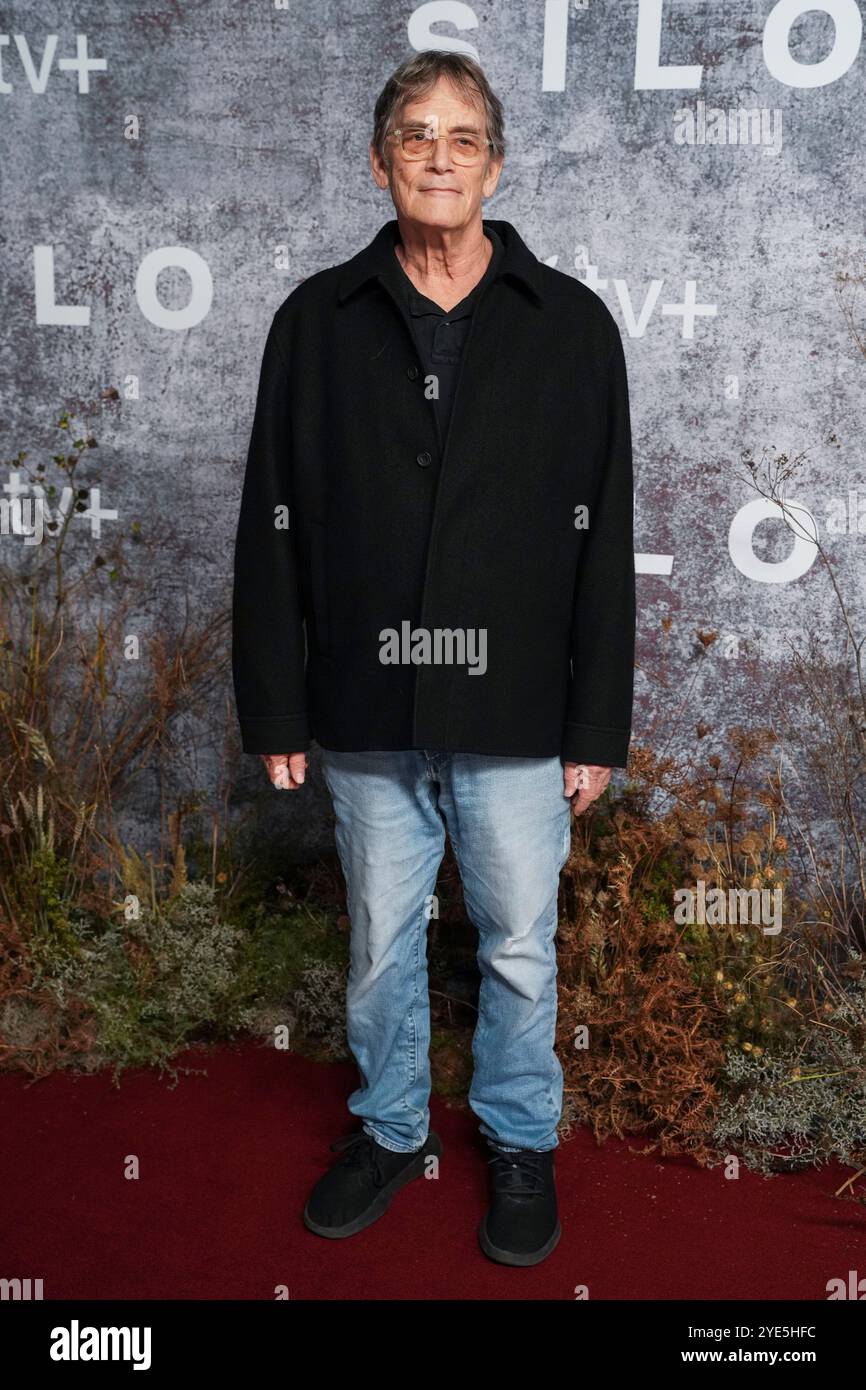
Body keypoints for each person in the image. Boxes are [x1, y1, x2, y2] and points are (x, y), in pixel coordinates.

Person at [231, 50, 636, 1268]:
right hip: (361, 705)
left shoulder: (567, 325)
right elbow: (270, 523)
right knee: (378, 941)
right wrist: (276, 707)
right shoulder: (315, 318)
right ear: (380, 161)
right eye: (418, 135)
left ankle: (518, 1143)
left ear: (494, 165)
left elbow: (603, 534)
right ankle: (391, 1130)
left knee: (516, 941)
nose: (440, 156)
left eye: (464, 138)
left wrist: (594, 726)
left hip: (517, 710)